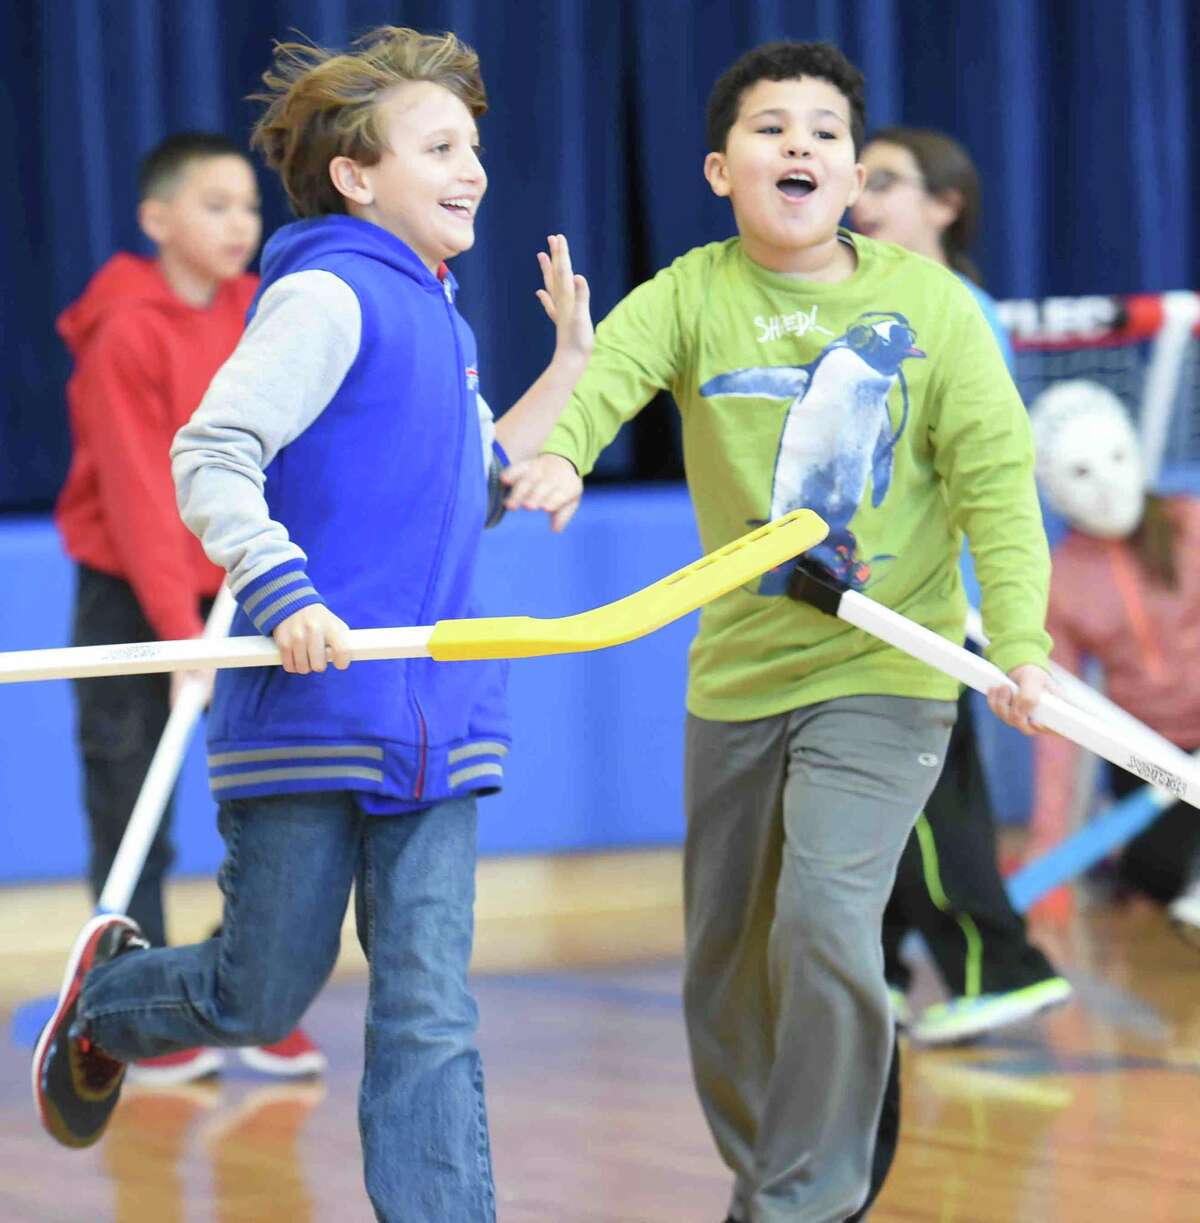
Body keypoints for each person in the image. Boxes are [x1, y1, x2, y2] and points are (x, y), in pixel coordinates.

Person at [33, 25, 593, 1221]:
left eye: (475, 145)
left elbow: (467, 485)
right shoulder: (331, 292)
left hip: (438, 719)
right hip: (313, 705)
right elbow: (214, 450)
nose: (474, 167)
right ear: (356, 174)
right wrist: (284, 588)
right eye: (439, 144)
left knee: (429, 1005)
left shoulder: (447, 321)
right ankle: (107, 1005)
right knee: (260, 989)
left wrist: (567, 377)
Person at [503, 40, 1052, 1223]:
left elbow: (999, 486)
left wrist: (1020, 641)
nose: (799, 143)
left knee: (825, 915)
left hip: (887, 668)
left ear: (855, 176)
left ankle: (803, 1195)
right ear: (717, 168)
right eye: (770, 127)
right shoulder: (692, 292)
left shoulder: (934, 309)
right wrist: (560, 453)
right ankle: (789, 1163)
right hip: (739, 676)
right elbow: (612, 375)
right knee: (724, 974)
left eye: (824, 131)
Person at [54, 131, 323, 1084]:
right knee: (134, 800)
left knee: (276, 795)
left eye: (250, 206)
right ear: (156, 220)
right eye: (215, 206)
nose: (241, 224)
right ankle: (130, 1014)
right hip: (133, 590)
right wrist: (177, 638)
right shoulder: (124, 327)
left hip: (242, 585)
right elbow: (136, 490)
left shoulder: (266, 314)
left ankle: (247, 994)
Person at [851, 128, 1071, 1045]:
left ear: (946, 203)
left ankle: (995, 966)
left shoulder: (959, 311)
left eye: (888, 182)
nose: (863, 197)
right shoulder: (862, 301)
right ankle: (883, 973)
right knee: (875, 793)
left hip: (935, 597)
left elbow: (980, 474)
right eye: (859, 180)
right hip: (868, 589)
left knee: (929, 791)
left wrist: (984, 605)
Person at [1028, 381, 1200, 940]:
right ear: (1053, 488)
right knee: (1160, 879)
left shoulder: (1189, 524)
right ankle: (1128, 856)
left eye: (1117, 457)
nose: (1106, 485)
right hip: (1150, 760)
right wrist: (1048, 849)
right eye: (1080, 472)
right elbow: (1057, 720)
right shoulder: (1059, 578)